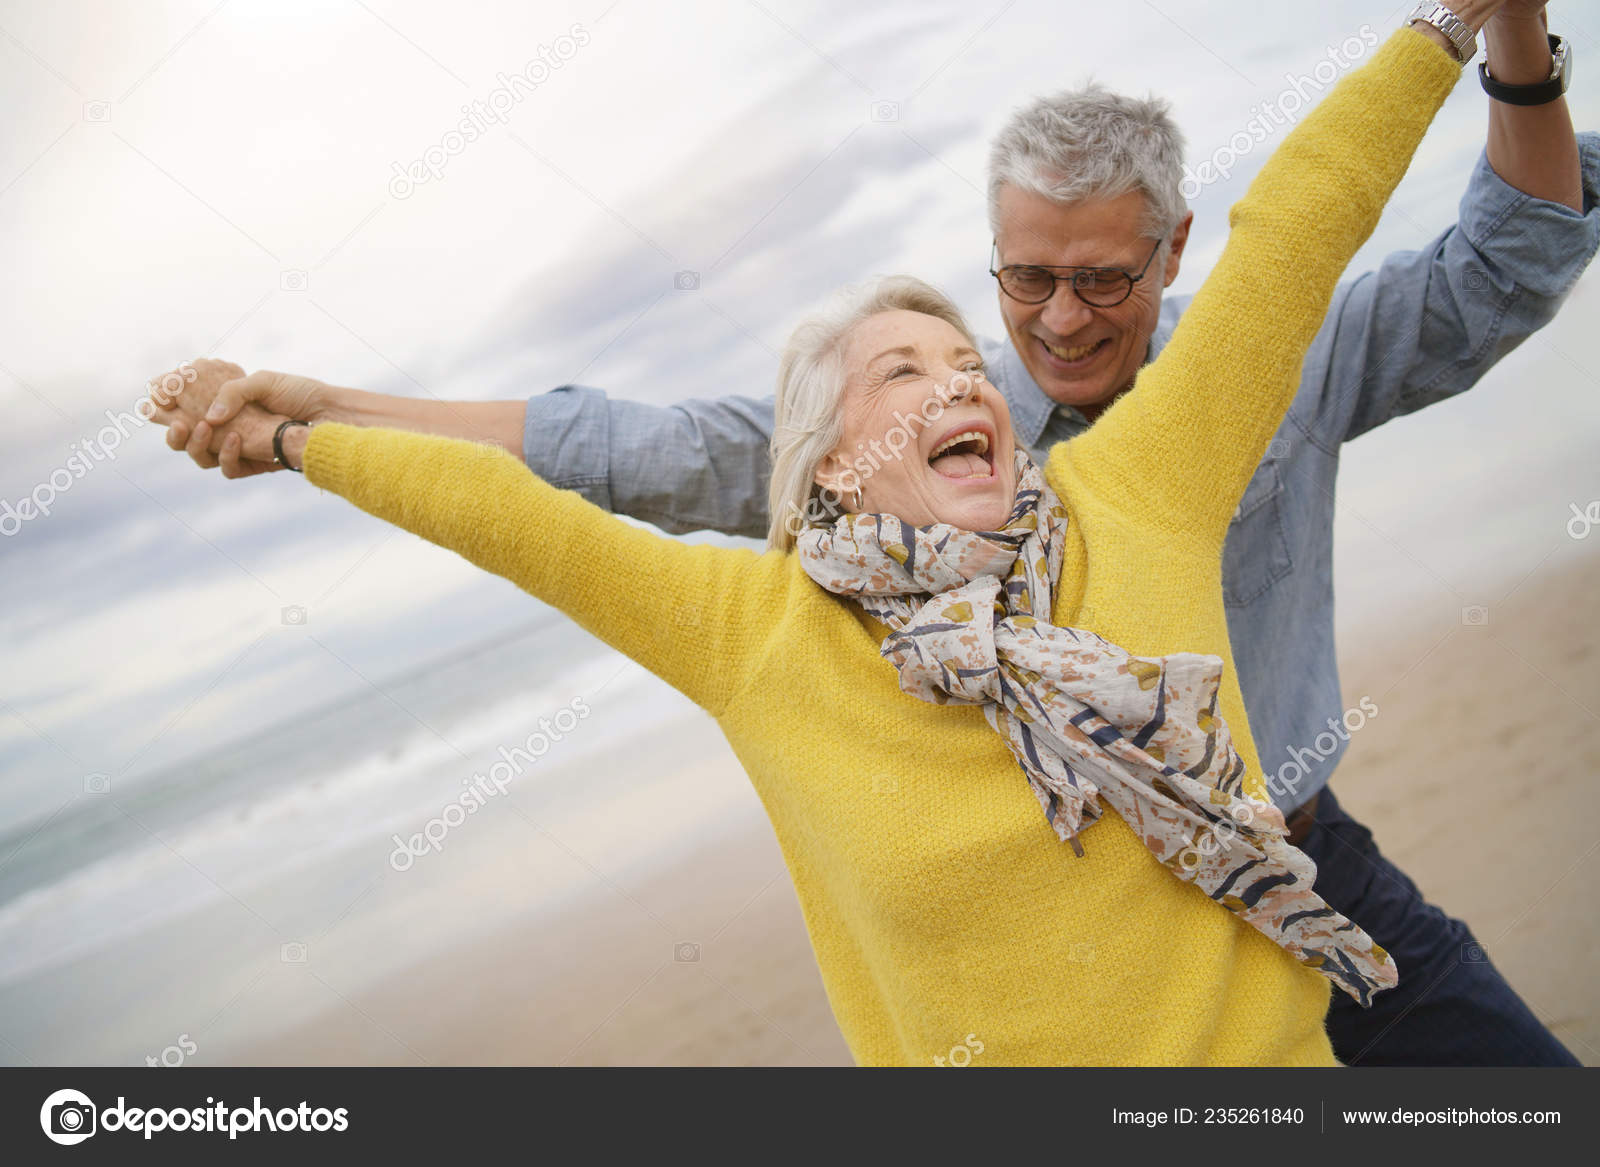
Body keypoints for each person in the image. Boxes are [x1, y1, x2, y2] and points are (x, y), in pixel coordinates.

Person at [155, 18, 1499, 1066]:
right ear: (828, 464)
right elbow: (517, 511)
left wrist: (1449, 24)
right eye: (905, 375)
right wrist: (302, 432)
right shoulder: (761, 641)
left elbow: (1294, 238)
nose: (969, 382)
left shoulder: (1137, 495)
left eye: (968, 363)